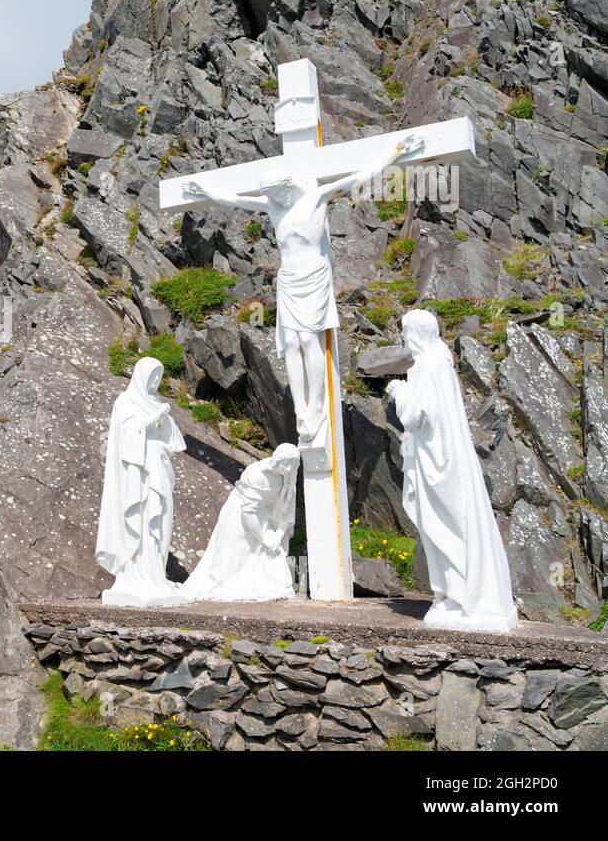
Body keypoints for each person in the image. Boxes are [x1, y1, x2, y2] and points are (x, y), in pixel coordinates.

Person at [186, 133, 425, 443]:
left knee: (310, 342)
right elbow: (234, 200)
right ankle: (302, 410)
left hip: (312, 277)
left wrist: (393, 154)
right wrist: (205, 189)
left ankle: (316, 405)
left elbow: (358, 177)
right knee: (293, 344)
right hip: (288, 280)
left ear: (287, 188)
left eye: (277, 194)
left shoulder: (315, 198)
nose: (274, 200)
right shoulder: (274, 209)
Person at [387, 310, 518, 632]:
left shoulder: (426, 368)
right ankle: (452, 596)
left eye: (405, 332)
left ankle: (458, 597)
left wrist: (398, 392)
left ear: (415, 333)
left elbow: (416, 417)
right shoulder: (441, 362)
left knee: (444, 528)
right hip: (445, 458)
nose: (404, 339)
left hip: (437, 465)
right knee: (453, 526)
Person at [95, 357, 186, 606]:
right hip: (138, 475)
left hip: (159, 469)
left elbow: (176, 442)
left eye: (159, 376)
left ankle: (157, 573)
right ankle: (138, 575)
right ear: (140, 376)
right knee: (144, 519)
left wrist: (165, 419)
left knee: (161, 521)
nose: (155, 382)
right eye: (152, 376)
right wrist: (154, 418)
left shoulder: (156, 402)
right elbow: (127, 438)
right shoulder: (126, 402)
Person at [172, 445, 300, 602]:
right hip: (241, 515)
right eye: (286, 463)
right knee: (233, 555)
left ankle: (263, 584)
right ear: (277, 460)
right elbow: (249, 513)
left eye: (292, 465)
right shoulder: (257, 475)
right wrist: (266, 539)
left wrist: (276, 537)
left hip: (266, 518)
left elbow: (286, 515)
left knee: (272, 555)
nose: (289, 468)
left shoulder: (288, 480)